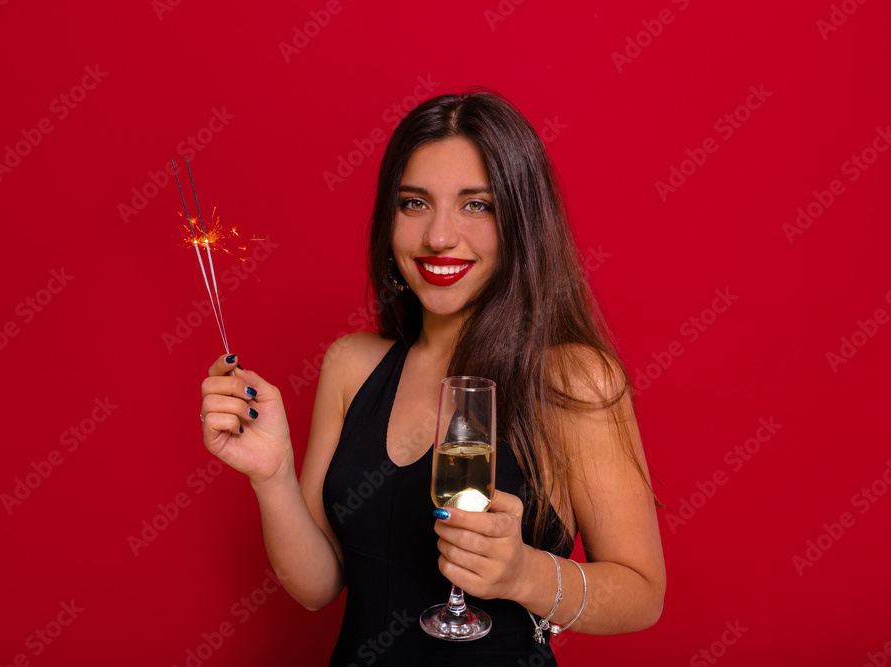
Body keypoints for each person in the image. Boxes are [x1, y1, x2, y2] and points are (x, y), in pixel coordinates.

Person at [199, 89, 666, 665]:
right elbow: (317, 588)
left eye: (477, 205)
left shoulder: (573, 379)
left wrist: (524, 574)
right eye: (414, 203)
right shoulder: (352, 364)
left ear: (522, 222)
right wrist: (272, 476)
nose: (439, 237)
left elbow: (642, 595)